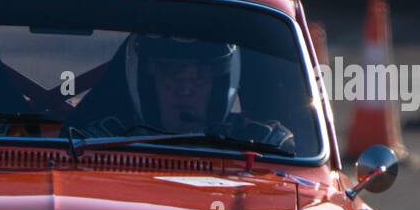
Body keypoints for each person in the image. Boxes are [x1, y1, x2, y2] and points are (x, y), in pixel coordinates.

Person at [68, 33, 295, 152]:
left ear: (220, 85)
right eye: (170, 73)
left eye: (200, 77)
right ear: (146, 82)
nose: (185, 90)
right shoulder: (93, 144)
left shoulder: (265, 142)